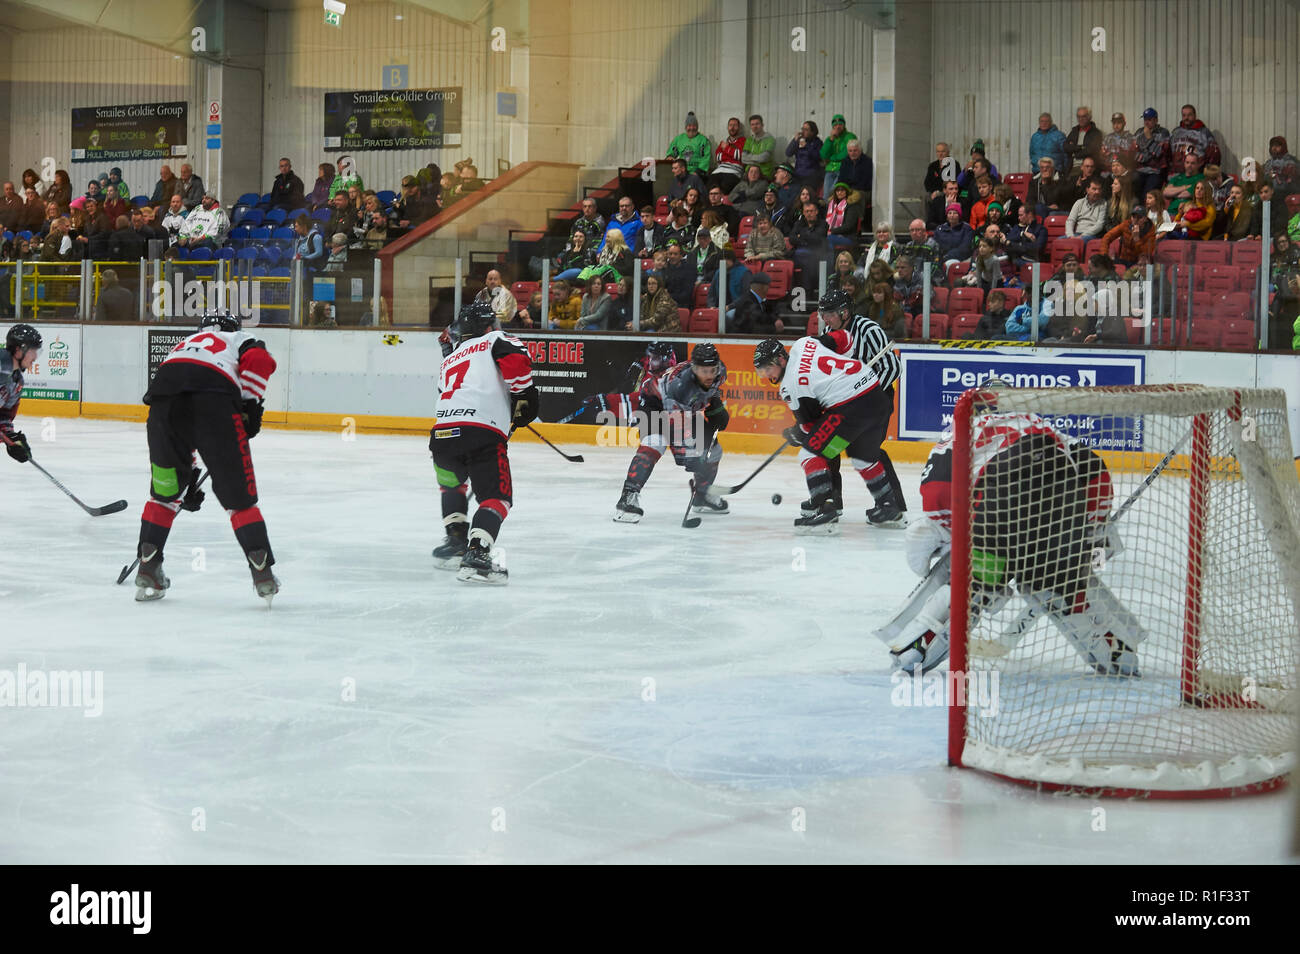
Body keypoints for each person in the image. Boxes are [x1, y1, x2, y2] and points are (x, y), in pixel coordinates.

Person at [878, 383, 1139, 676]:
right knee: (1058, 584)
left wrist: (956, 534)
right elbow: (1096, 472)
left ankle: (917, 648)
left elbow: (937, 491)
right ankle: (1117, 655)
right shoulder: (1038, 422)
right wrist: (1092, 526)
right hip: (1062, 496)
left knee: (978, 583)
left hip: (999, 496)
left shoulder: (960, 428)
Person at [134, 314, 279, 603]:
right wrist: (249, 403)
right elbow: (261, 361)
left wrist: (187, 479)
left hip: (163, 407)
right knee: (239, 500)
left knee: (164, 494)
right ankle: (261, 571)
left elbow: (184, 408)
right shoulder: (238, 339)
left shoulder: (185, 344)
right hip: (214, 401)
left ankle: (148, 565)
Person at [430, 302, 537, 584]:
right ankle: (476, 556)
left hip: (441, 436)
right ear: (489, 326)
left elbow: (451, 392)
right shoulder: (496, 339)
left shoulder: (450, 357)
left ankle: (455, 543)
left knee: (452, 485)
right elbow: (516, 364)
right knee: (496, 498)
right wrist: (525, 397)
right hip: (481, 433)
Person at [753, 330, 892, 534]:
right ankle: (889, 506)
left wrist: (796, 434)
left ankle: (825, 506)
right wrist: (841, 376)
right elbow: (845, 338)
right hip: (875, 396)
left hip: (851, 409)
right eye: (762, 371)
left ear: (781, 360)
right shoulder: (803, 343)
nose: (767, 376)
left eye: (768, 369)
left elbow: (811, 427)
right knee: (862, 456)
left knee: (810, 453)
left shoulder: (790, 386)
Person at [613, 343, 731, 522]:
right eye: (703, 371)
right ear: (694, 368)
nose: (709, 375)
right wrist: (689, 455)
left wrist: (715, 406)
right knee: (655, 442)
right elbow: (675, 428)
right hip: (655, 404)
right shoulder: (679, 386)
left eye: (712, 370)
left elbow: (710, 392)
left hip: (684, 411)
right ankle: (627, 497)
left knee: (713, 451)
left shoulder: (721, 372)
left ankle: (702, 495)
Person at [564, 342, 678, 424]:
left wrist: (605, 401)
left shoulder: (669, 379)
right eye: (651, 358)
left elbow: (640, 400)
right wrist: (603, 400)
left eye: (655, 359)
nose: (651, 362)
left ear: (666, 360)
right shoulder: (652, 372)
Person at [1, 324, 41, 464]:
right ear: (18, 350)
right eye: (32, 351)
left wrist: (11, 439)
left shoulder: (16, 382)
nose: (35, 357)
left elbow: (4, 416)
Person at [819, 114, 856, 199]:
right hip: (830, 169)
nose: (838, 127)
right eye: (835, 125)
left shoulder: (850, 136)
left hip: (842, 169)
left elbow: (846, 153)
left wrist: (832, 158)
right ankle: (828, 211)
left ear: (844, 125)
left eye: (840, 124)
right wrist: (831, 140)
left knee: (832, 193)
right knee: (826, 196)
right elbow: (823, 154)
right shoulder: (830, 139)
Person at [666, 111, 711, 177]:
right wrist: (670, 157)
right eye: (689, 126)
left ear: (697, 127)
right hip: (681, 173)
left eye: (694, 126)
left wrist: (697, 172)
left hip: (697, 174)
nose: (692, 128)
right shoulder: (679, 139)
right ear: (685, 127)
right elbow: (671, 154)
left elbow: (705, 159)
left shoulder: (703, 140)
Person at [1062, 106, 1103, 173]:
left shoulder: (1096, 133)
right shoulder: (1074, 131)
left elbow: (1091, 150)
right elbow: (1065, 146)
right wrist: (1080, 147)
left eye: (1083, 116)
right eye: (1078, 117)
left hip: (1088, 168)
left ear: (1089, 117)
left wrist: (1074, 154)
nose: (1081, 119)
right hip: (1072, 167)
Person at [785, 121, 823, 190]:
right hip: (798, 173)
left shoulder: (817, 142)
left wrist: (807, 146)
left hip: (811, 175)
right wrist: (795, 140)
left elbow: (818, 156)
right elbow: (788, 153)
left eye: (806, 130)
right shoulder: (799, 140)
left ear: (812, 132)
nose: (803, 132)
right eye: (802, 129)